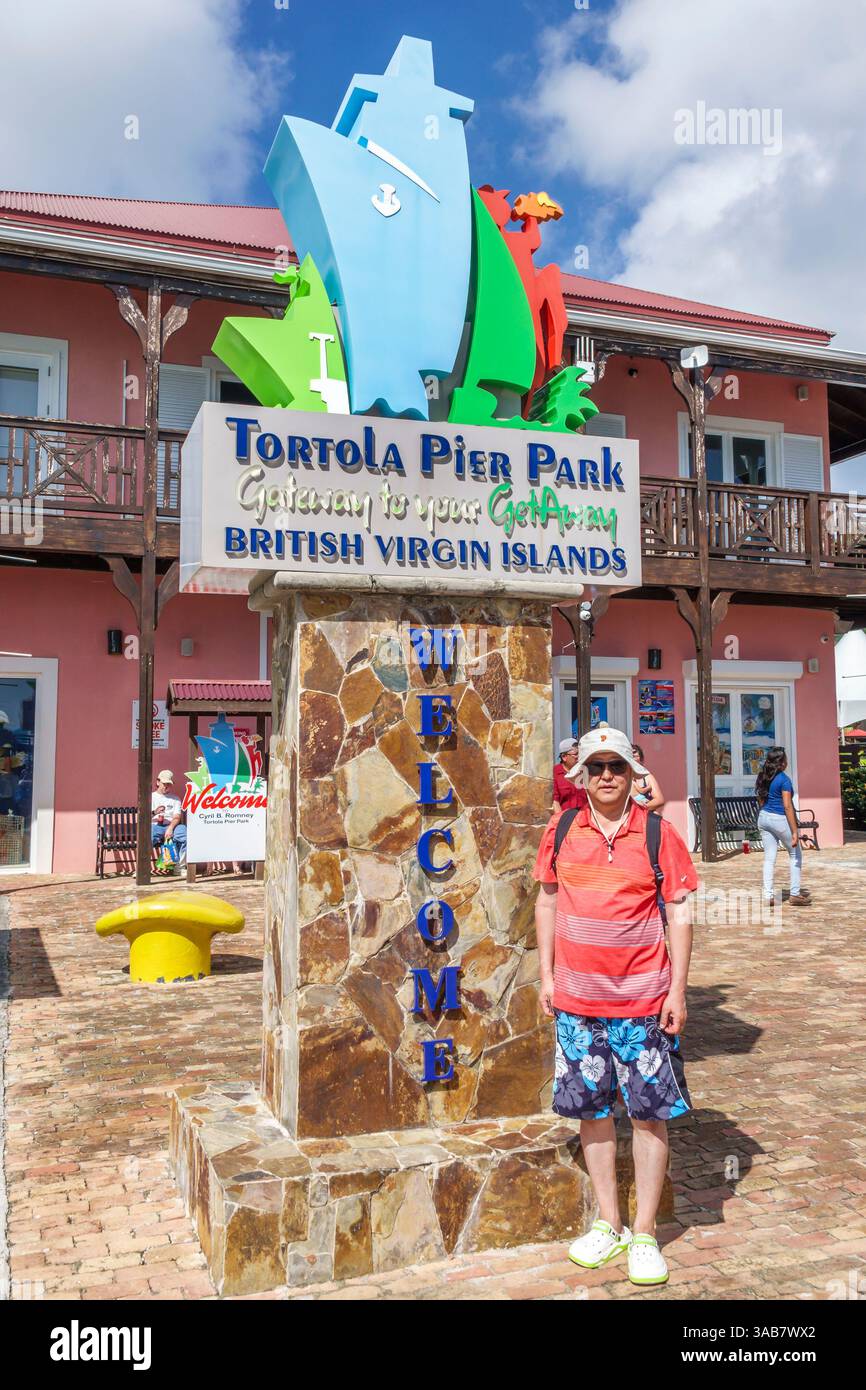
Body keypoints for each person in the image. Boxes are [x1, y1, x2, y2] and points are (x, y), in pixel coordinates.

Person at [534, 725, 698, 1287]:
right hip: (578, 1003)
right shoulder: (560, 830)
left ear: (633, 773)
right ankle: (610, 1223)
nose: (607, 776)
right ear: (581, 774)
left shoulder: (658, 833)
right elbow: (547, 899)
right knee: (592, 1112)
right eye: (597, 766)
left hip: (644, 1002)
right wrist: (546, 974)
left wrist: (677, 989)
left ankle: (646, 1232)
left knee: (650, 1115)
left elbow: (678, 911)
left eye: (618, 767)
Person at [755, 746, 810, 907]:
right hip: (779, 819)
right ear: (782, 762)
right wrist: (795, 831)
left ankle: (768, 896)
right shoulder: (784, 780)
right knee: (795, 855)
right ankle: (794, 894)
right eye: (785, 759)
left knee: (769, 858)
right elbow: (787, 806)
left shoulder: (763, 777)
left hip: (763, 818)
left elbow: (761, 798)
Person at [151, 769, 186, 863]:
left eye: (168, 784)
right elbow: (142, 817)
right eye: (164, 783)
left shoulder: (175, 799)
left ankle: (180, 866)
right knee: (146, 836)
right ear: (158, 782)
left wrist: (170, 827)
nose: (166, 786)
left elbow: (177, 817)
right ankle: (141, 868)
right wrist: (154, 812)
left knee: (184, 835)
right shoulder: (150, 797)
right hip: (155, 826)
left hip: (172, 825)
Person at [553, 737, 588, 813]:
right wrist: (561, 821)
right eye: (575, 754)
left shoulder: (585, 770)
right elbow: (555, 802)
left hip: (585, 818)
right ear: (564, 757)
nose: (578, 756)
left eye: (579, 753)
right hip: (566, 819)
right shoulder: (555, 773)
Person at [630, 743, 665, 811]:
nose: (632, 755)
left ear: (641, 758)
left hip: (644, 813)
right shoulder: (621, 777)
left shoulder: (647, 777)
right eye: (630, 753)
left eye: (634, 752)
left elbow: (659, 800)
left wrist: (639, 809)